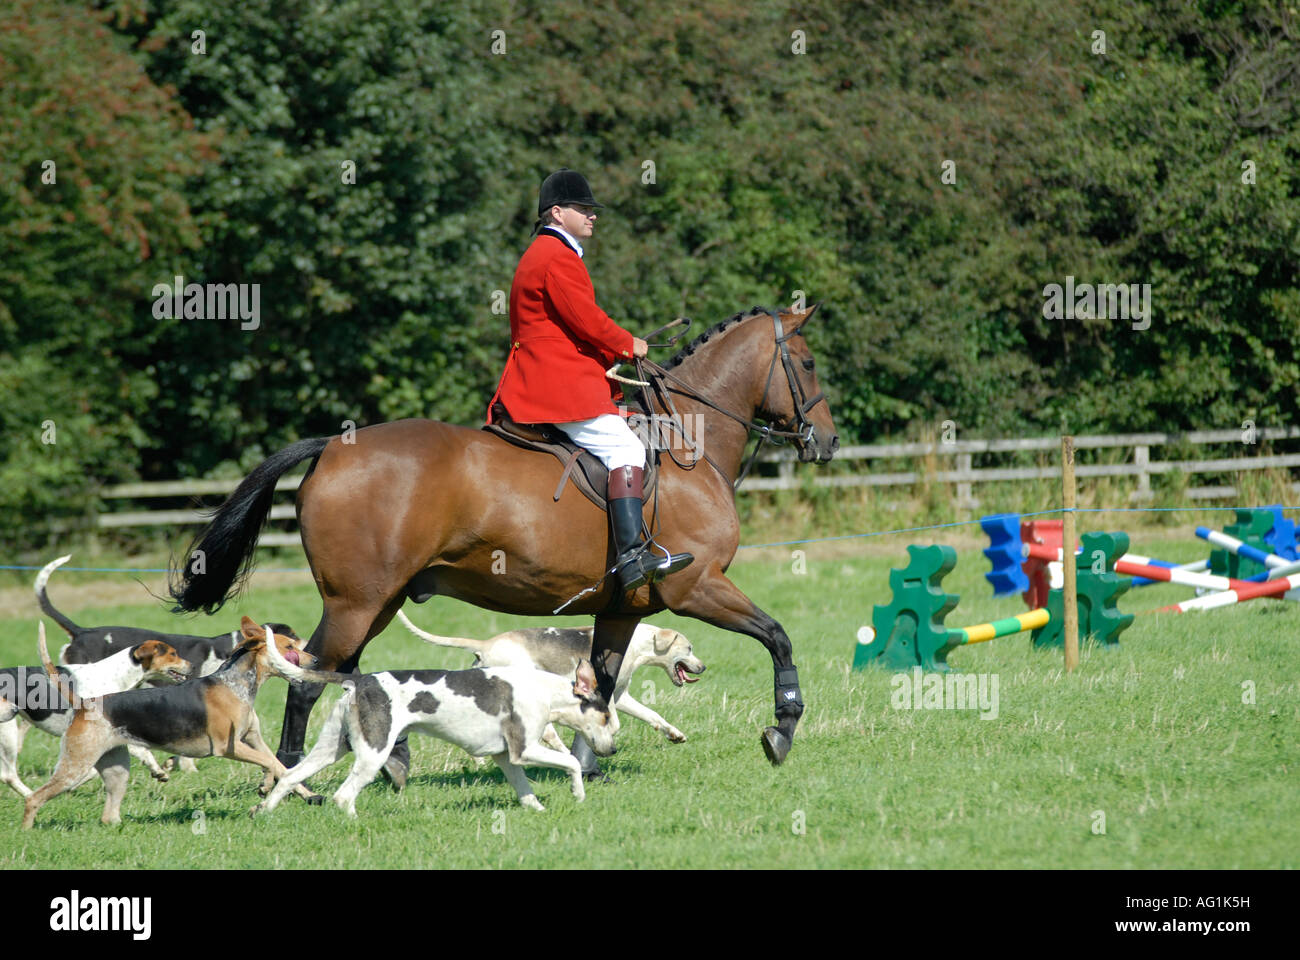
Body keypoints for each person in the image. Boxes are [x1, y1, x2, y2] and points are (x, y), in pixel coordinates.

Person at [487, 169, 692, 592]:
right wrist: (627, 343)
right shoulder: (555, 255)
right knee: (627, 446)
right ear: (557, 213)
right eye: (584, 209)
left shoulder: (548, 252)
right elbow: (585, 320)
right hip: (554, 383)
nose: (592, 216)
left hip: (553, 374)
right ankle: (632, 556)